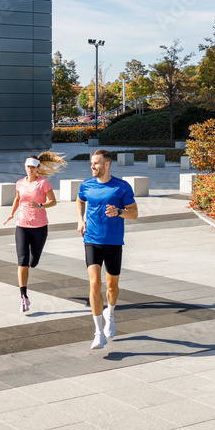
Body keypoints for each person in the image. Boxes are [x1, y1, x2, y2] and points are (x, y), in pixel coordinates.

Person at [76, 148, 138, 349]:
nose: (92, 166)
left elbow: (134, 213)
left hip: (113, 242)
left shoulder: (121, 187)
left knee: (112, 287)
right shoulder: (86, 185)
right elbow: (80, 200)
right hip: (91, 239)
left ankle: (109, 314)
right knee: (94, 283)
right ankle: (97, 333)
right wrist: (80, 219)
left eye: (96, 163)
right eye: (91, 163)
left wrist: (119, 211)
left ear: (107, 164)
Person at [4, 150, 66, 312]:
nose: (29, 169)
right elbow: (18, 198)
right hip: (22, 226)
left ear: (38, 168)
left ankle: (34, 260)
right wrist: (11, 213)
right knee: (22, 261)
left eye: (32, 167)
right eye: (27, 167)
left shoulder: (43, 183)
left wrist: (41, 206)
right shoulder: (20, 183)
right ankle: (23, 296)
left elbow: (53, 201)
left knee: (33, 261)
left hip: (39, 227)